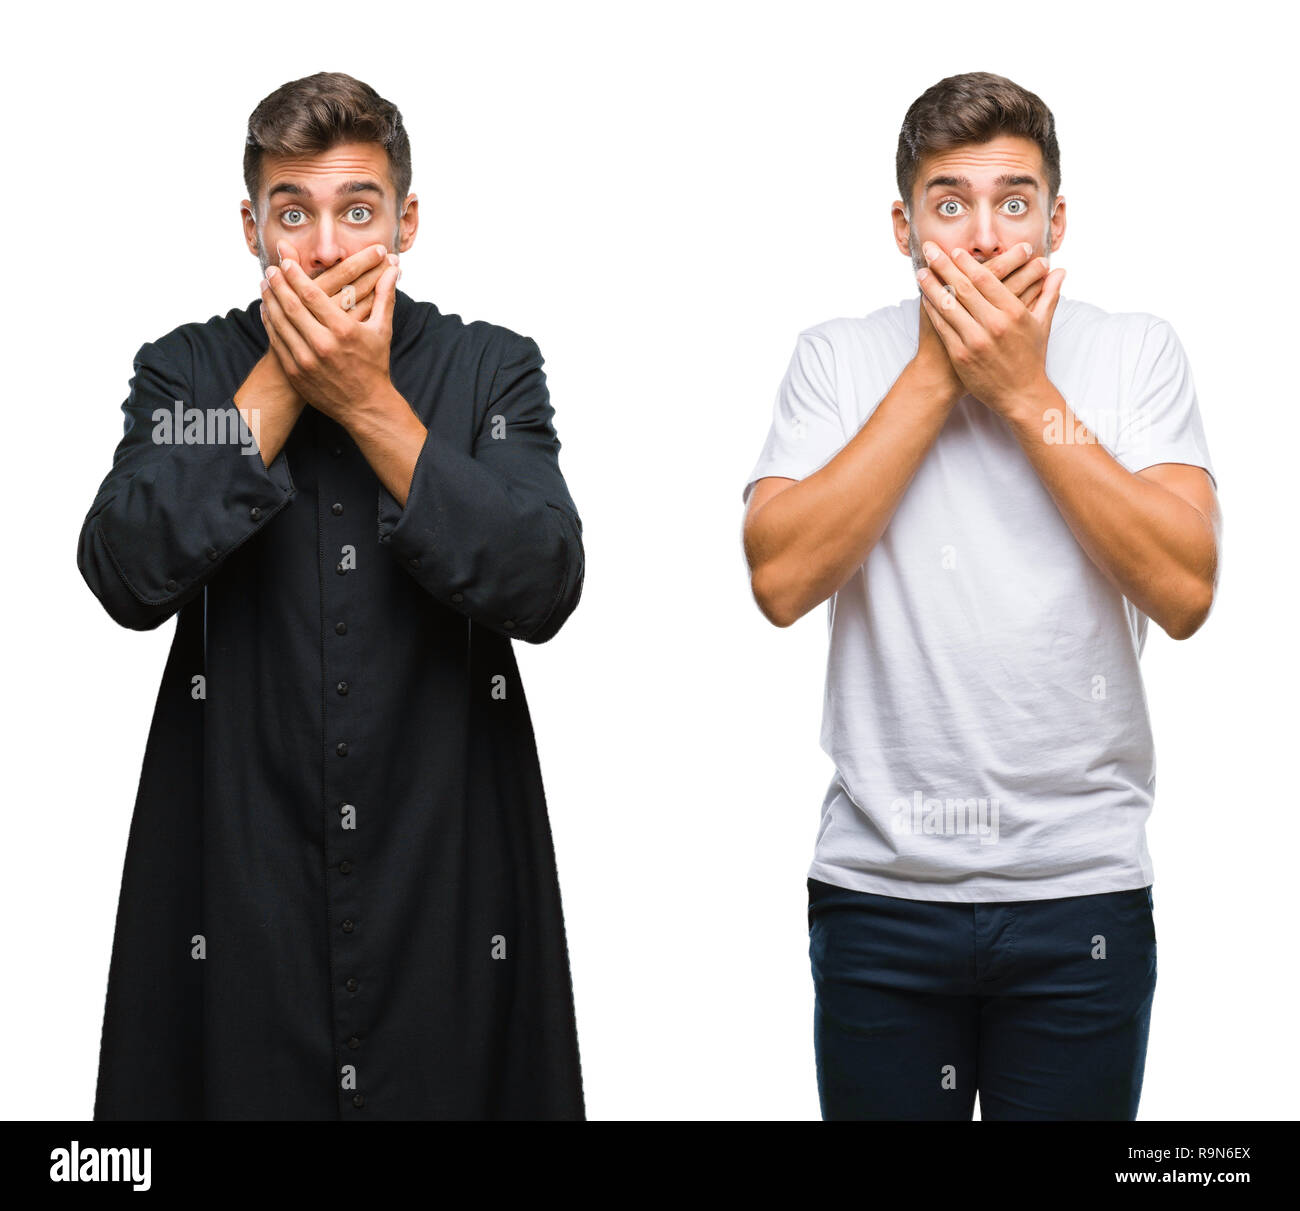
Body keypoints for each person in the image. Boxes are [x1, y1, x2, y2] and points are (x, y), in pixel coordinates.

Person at [77, 71, 586, 1120]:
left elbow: (543, 577)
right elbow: (122, 564)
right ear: (252, 229)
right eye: (292, 214)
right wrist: (278, 384)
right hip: (237, 871)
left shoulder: (491, 373)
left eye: (356, 210)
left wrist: (368, 405)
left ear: (406, 221)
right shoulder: (189, 378)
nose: (322, 247)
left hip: (445, 875)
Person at [740, 71, 1220, 1121]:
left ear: (1056, 219)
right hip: (879, 895)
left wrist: (1023, 394)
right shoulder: (837, 358)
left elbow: (1186, 589)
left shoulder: (1135, 352)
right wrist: (936, 376)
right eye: (949, 201)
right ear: (904, 226)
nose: (984, 231)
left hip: (1080, 892)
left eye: (1014, 198)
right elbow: (778, 579)